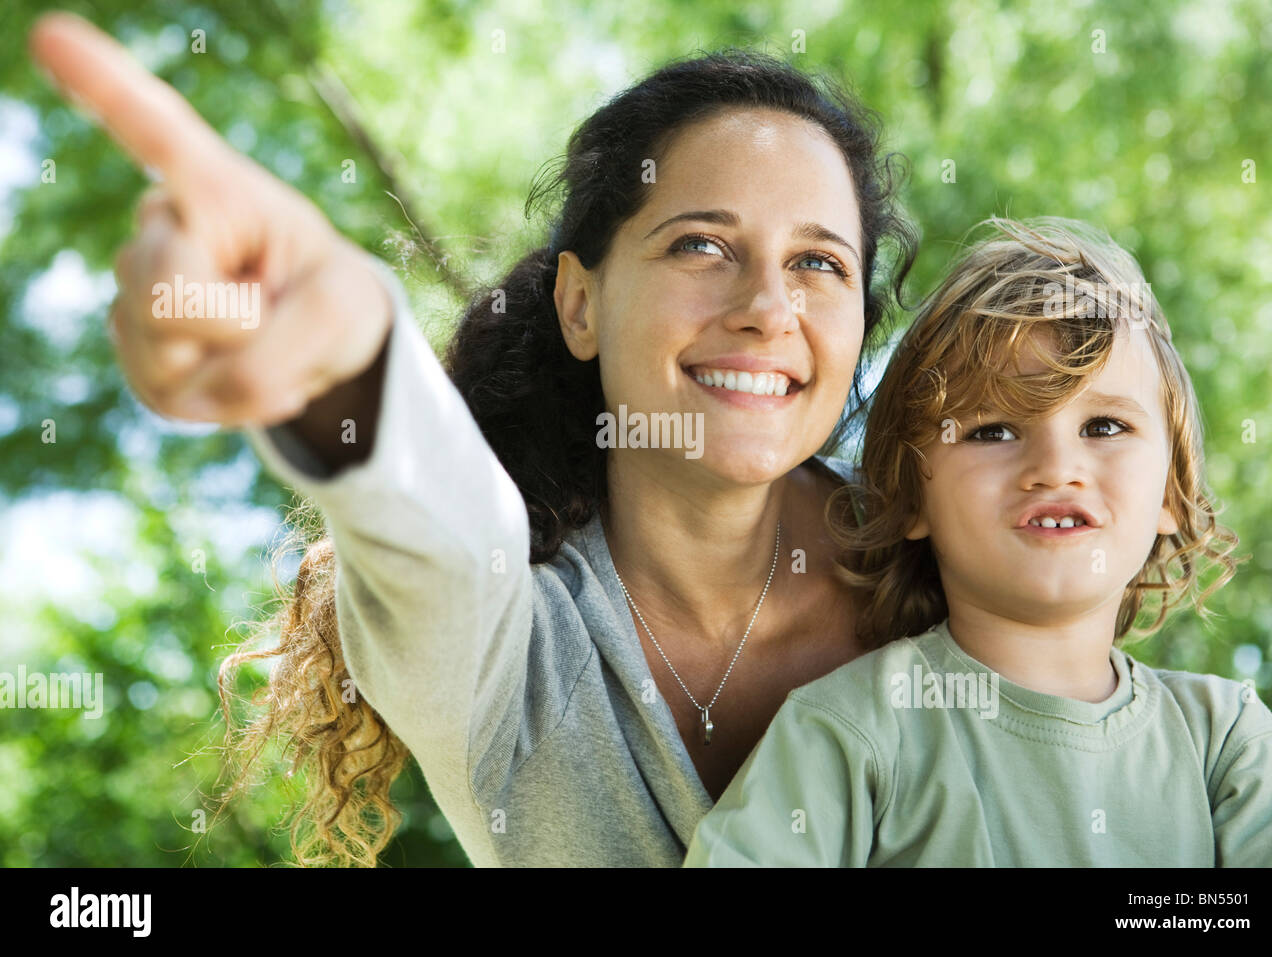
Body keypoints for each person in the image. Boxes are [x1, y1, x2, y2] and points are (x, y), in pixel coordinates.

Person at [29, 13, 917, 865]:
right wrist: (345, 356)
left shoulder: (950, 549)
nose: (768, 308)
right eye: (701, 246)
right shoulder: (506, 650)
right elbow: (439, 533)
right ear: (581, 305)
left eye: (818, 263)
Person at [684, 217, 1272, 867]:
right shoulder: (850, 730)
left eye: (1105, 424)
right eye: (993, 431)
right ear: (912, 496)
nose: (1055, 465)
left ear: (1172, 492)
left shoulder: (1228, 743)